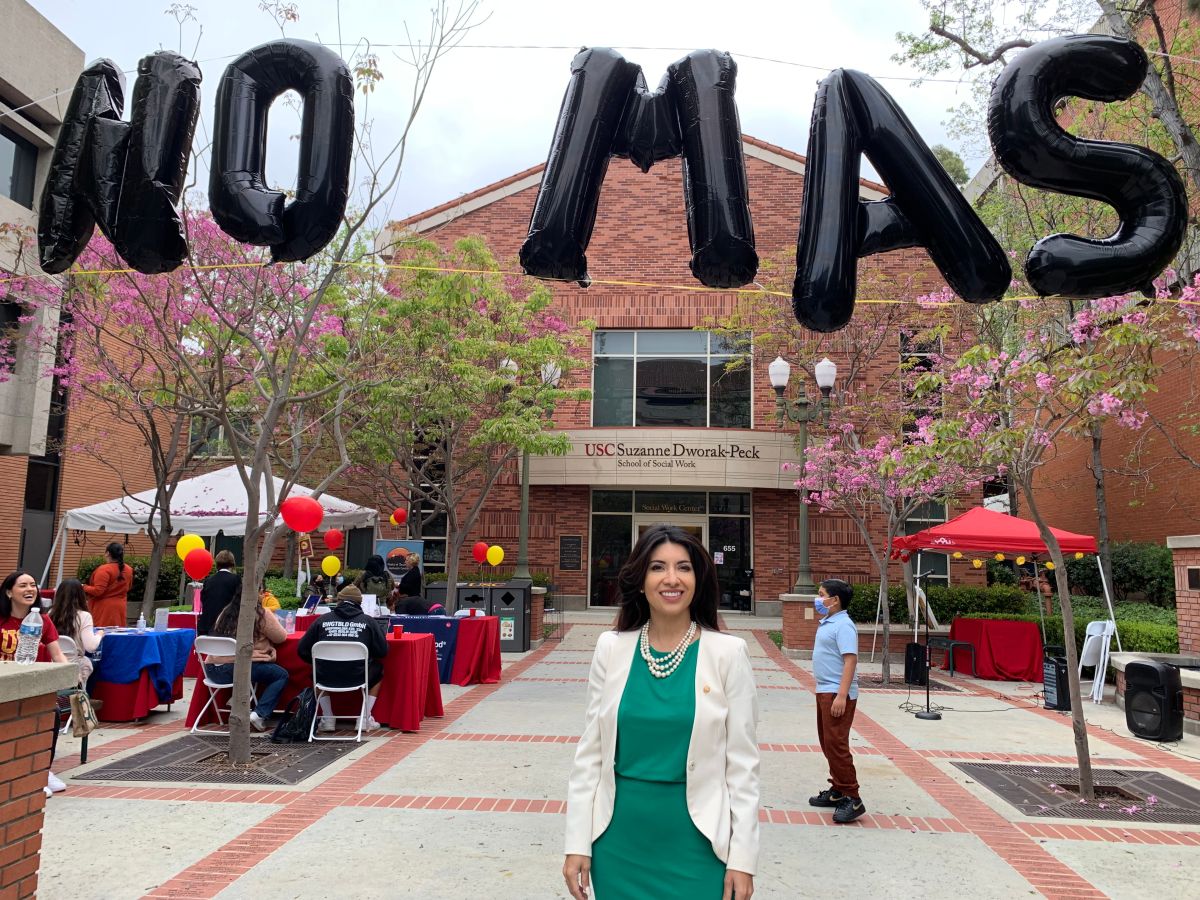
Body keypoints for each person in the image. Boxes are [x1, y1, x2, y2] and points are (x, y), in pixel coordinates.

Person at [564, 524, 759, 900]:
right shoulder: (611, 648)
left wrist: (743, 859)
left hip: (699, 843)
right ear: (641, 580)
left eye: (683, 567)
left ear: (698, 579)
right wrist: (577, 842)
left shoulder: (728, 654)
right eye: (658, 567)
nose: (672, 579)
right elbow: (590, 755)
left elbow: (743, 767)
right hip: (618, 840)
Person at [2, 571, 71, 797]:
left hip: (31, 684)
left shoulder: (42, 619)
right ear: (9, 592)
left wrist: (71, 675)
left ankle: (42, 772)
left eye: (33, 585)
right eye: (23, 585)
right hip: (4, 683)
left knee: (53, 712)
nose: (30, 589)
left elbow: (57, 653)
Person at [808, 578, 866, 824]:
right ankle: (838, 790)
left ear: (835, 600)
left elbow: (850, 660)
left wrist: (841, 695)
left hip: (836, 693)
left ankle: (853, 797)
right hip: (825, 690)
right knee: (828, 742)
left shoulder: (844, 626)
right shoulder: (829, 622)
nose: (818, 599)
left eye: (821, 595)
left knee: (837, 745)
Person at [297, 585, 389, 732]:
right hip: (359, 676)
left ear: (339, 601)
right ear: (359, 603)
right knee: (378, 669)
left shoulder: (322, 620)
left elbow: (302, 649)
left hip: (325, 675)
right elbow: (382, 651)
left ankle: (328, 718)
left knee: (315, 669)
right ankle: (364, 718)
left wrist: (318, 663)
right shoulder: (368, 621)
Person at [204, 596, 288, 732]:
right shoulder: (261, 613)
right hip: (238, 669)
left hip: (212, 670)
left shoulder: (226, 612)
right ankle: (259, 714)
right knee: (280, 675)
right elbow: (281, 637)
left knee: (253, 669)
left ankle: (237, 700)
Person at [47, 578, 103, 681]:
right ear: (81, 595)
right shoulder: (84, 616)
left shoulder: (50, 613)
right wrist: (100, 634)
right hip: (75, 663)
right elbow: (91, 647)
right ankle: (83, 693)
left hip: (51, 662)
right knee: (97, 663)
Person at [82, 541, 132, 627]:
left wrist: (83, 587)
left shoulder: (104, 570)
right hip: (120, 607)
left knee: (102, 635)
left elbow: (98, 591)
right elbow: (129, 587)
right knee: (118, 634)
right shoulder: (128, 569)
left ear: (107, 553)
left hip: (104, 609)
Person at [197, 550, 241, 635]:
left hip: (206, 625)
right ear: (232, 564)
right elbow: (238, 602)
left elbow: (203, 599)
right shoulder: (236, 579)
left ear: (217, 564)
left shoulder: (208, 580)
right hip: (227, 626)